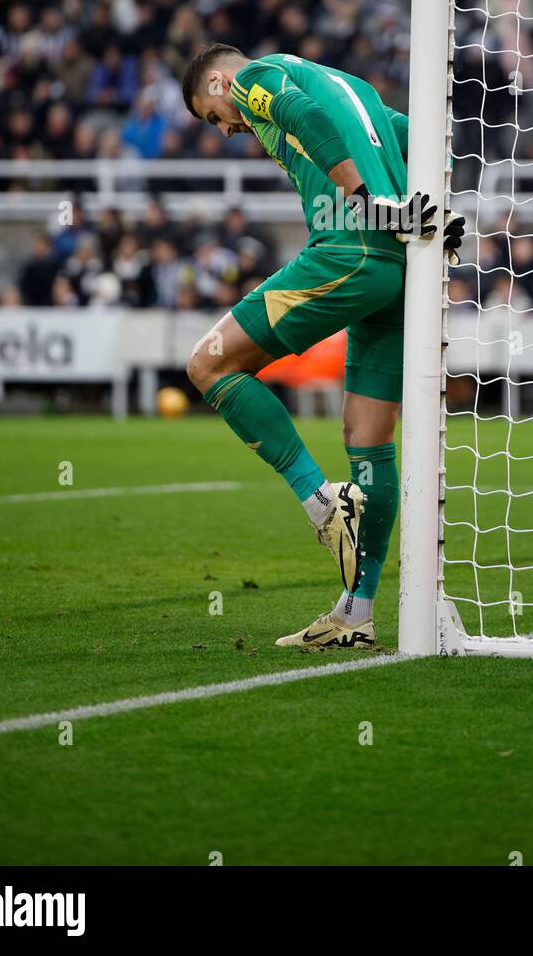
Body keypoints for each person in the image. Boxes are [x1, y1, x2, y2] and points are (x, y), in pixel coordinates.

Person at [181, 43, 462, 649]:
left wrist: (362, 200)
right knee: (369, 440)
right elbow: (419, 139)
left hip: (350, 251)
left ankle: (320, 502)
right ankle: (356, 611)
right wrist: (432, 214)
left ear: (217, 81)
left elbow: (303, 119)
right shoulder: (351, 85)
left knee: (207, 363)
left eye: (212, 114)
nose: (227, 130)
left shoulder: (254, 79)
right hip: (397, 269)